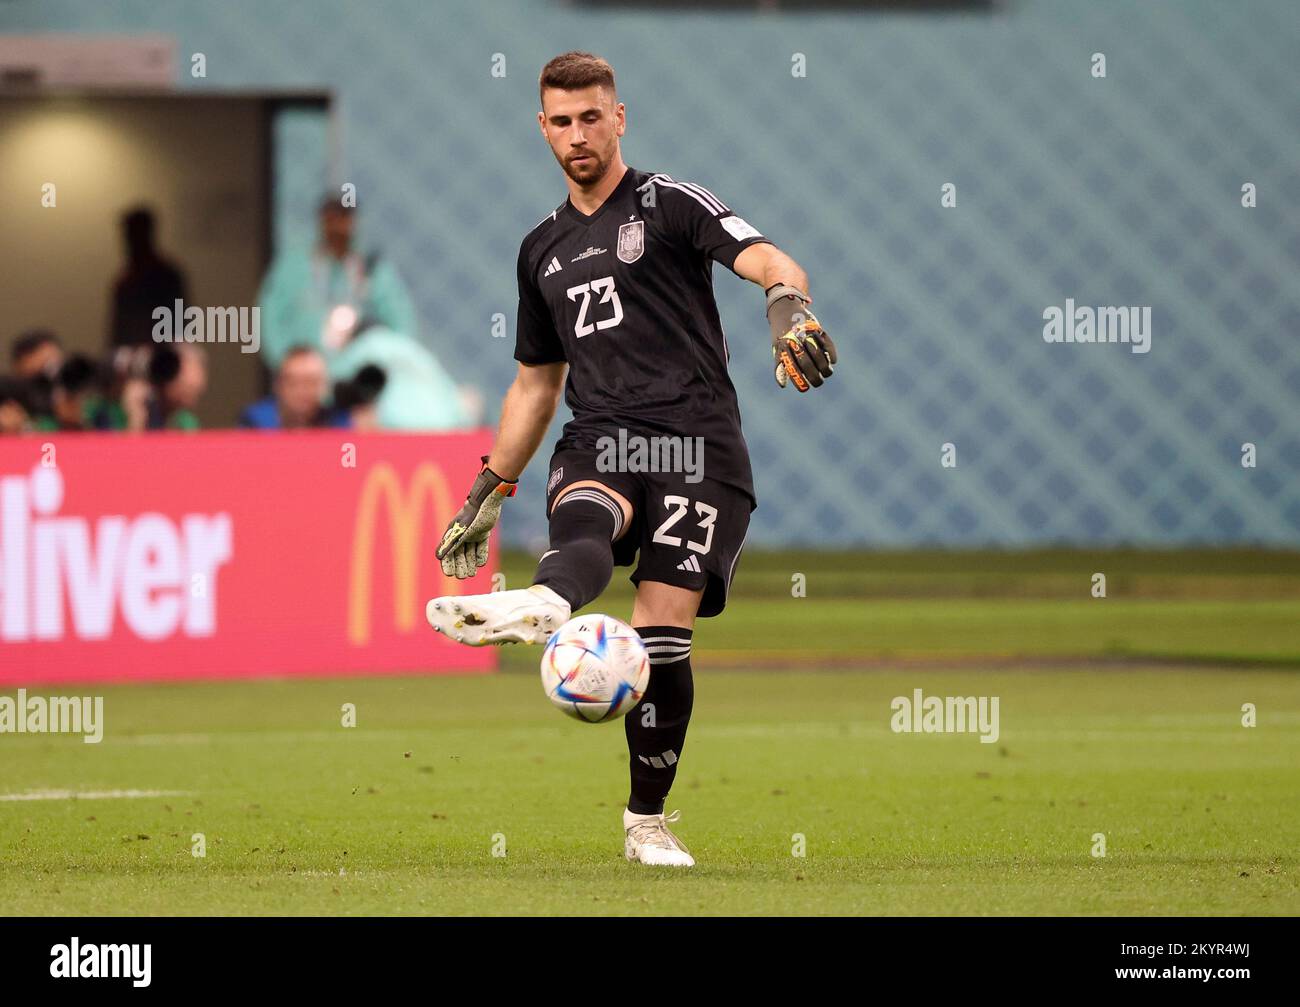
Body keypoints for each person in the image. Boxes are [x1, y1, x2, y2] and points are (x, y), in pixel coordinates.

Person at [424, 53, 837, 868]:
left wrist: (789, 314)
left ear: (620, 119)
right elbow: (536, 386)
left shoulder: (671, 203)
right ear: (541, 129)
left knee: (662, 632)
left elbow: (770, 261)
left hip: (697, 444)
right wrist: (491, 483)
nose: (578, 135)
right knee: (583, 523)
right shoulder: (540, 250)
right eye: (561, 122)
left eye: (591, 117)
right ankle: (546, 602)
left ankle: (646, 819)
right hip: (603, 432)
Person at [256, 195, 418, 369]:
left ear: (354, 222)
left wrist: (386, 364)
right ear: (322, 222)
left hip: (359, 376)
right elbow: (269, 319)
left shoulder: (372, 268)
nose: (338, 228)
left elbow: (401, 322)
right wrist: (287, 365)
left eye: (344, 219)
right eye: (332, 219)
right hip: (308, 375)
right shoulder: (294, 267)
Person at [328, 321, 472, 430]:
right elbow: (457, 400)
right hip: (441, 427)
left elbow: (331, 382)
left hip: (395, 427)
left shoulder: (367, 343)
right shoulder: (413, 348)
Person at [108, 207, 189, 348]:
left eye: (132, 235)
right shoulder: (126, 282)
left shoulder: (165, 277)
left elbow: (178, 325)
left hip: (161, 358)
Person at [240, 345, 349, 429]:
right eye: (293, 383)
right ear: (278, 385)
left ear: (325, 386)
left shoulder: (339, 422)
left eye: (311, 382)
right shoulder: (255, 422)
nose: (302, 391)